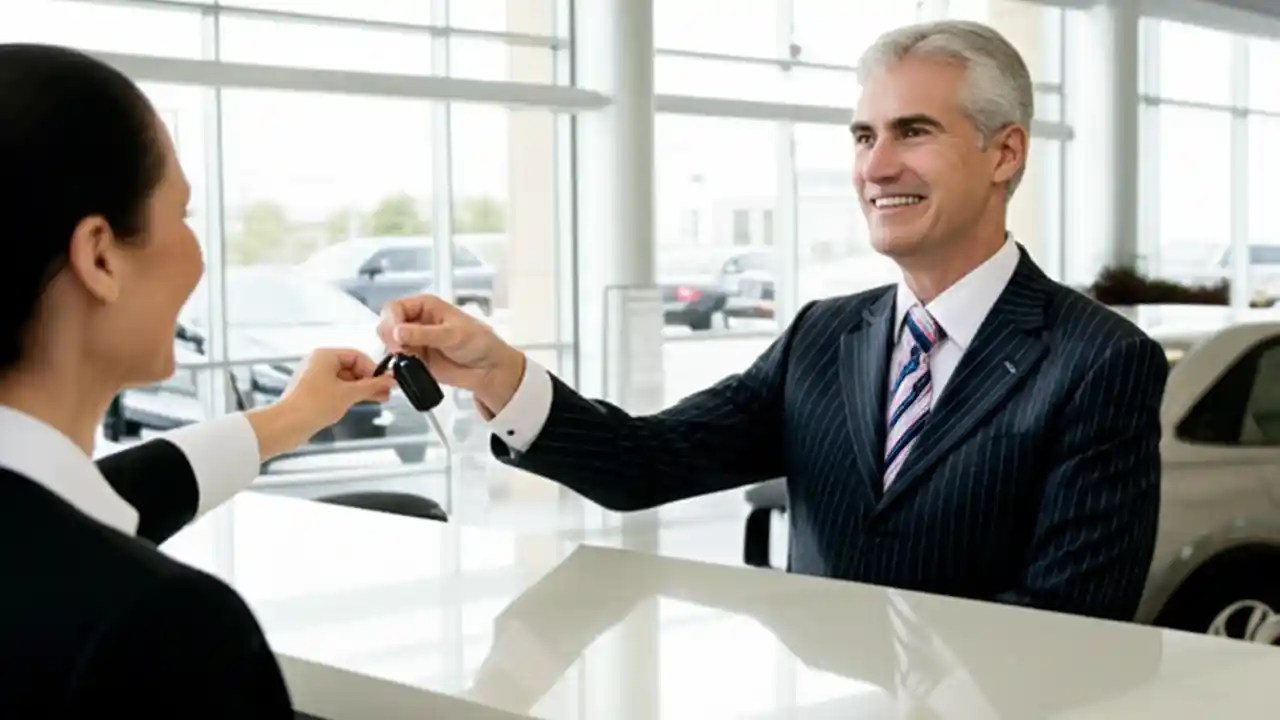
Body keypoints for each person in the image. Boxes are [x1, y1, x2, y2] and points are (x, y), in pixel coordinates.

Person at [379, 21, 1168, 621]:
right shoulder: (822, 338)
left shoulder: (1100, 360)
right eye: (865, 136)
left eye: (913, 132)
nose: (876, 166)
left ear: (1005, 154)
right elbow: (642, 463)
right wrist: (498, 372)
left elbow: (1073, 621)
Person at [0, 44, 396, 717]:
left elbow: (82, 508)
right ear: (99, 256)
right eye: (181, 215)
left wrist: (290, 418)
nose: (197, 256)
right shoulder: (162, 629)